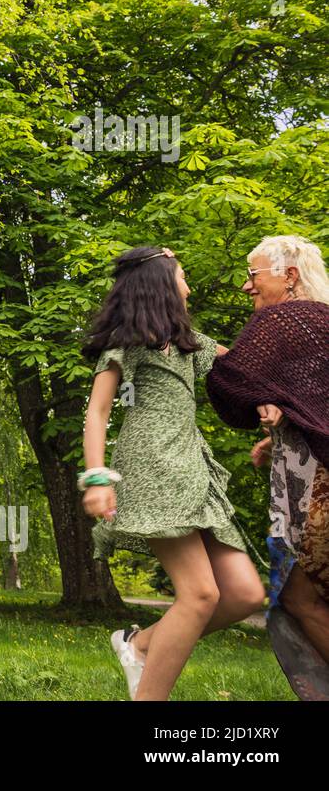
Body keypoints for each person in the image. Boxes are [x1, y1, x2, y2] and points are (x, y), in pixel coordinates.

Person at [81, 246, 265, 700]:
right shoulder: (127, 343)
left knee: (243, 595)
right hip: (152, 470)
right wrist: (97, 477)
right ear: (162, 285)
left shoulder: (190, 343)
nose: (189, 286)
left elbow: (244, 370)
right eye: (182, 276)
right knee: (201, 595)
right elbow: (97, 413)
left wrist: (277, 400)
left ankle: (138, 643)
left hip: (194, 471)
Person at [207, 234, 329, 665]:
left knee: (299, 601)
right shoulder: (324, 322)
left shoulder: (280, 321)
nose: (247, 286)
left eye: (253, 275)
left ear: (288, 275)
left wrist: (183, 336)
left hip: (318, 490)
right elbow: (315, 401)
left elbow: (231, 383)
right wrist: (290, 423)